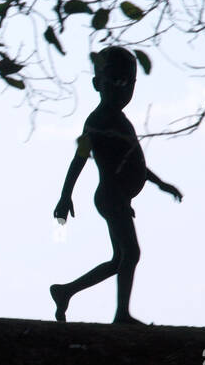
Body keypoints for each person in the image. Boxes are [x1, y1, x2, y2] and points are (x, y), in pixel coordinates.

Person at [51, 46, 182, 324]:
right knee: (131, 253)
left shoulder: (120, 121)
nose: (122, 88)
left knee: (119, 259)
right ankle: (121, 313)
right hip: (111, 196)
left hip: (119, 197)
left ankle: (66, 291)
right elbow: (80, 158)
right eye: (115, 80)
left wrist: (160, 184)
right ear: (98, 83)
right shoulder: (97, 121)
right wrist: (65, 196)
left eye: (128, 82)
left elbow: (133, 163)